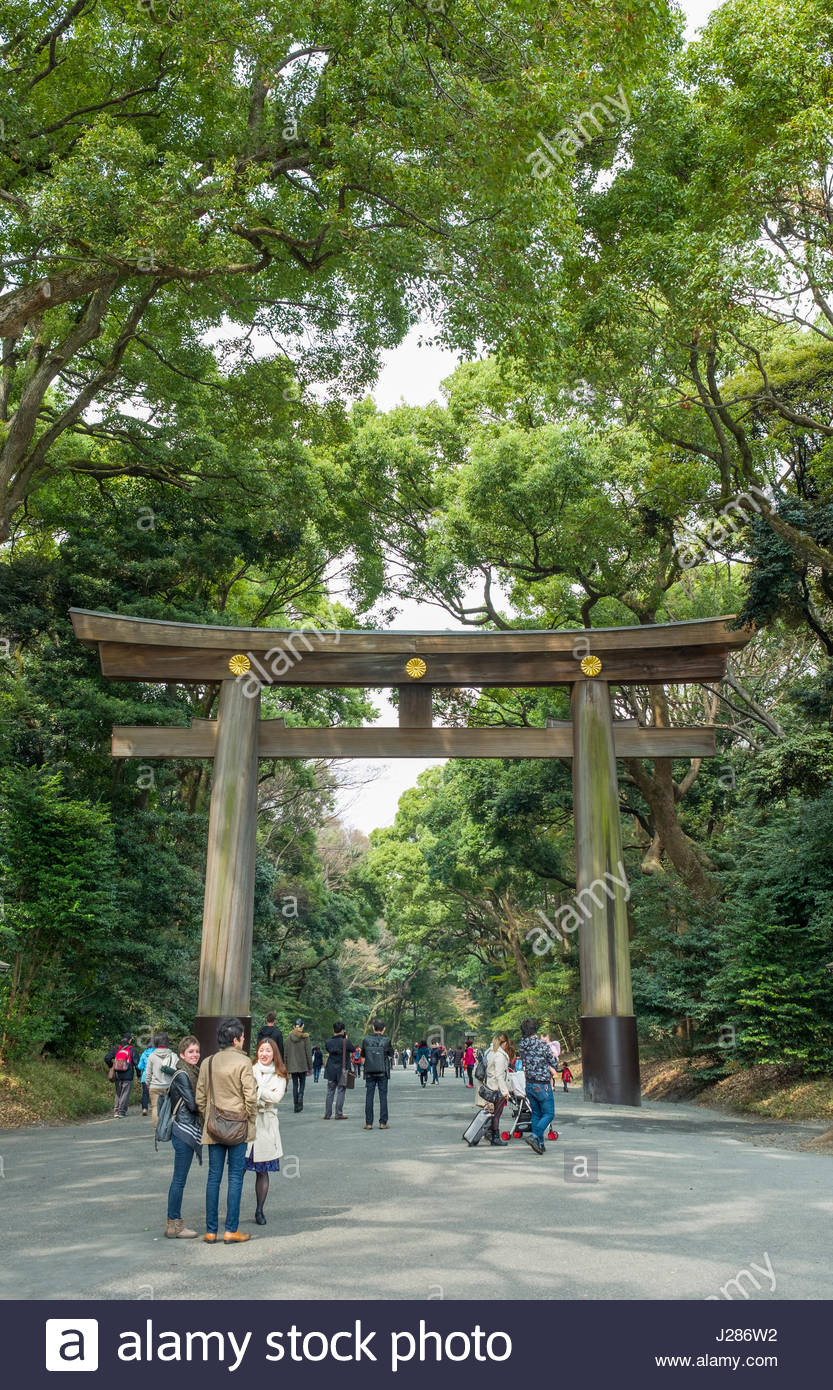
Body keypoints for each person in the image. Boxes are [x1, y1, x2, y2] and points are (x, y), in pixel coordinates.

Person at [194, 1017, 258, 1243]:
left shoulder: (208, 1062)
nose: (243, 1041)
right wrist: (249, 1117)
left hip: (213, 1127)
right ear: (235, 1039)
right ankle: (231, 1229)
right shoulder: (244, 1063)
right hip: (239, 1127)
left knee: (213, 1178)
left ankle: (211, 1231)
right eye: (242, 1037)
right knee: (235, 1178)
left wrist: (210, 1117)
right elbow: (251, 1097)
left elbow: (200, 1098)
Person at [245, 1037, 288, 1225]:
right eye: (261, 1050)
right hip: (247, 1123)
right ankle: (233, 1210)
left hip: (266, 1125)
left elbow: (276, 1097)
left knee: (262, 1171)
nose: (264, 1054)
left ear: (274, 1054)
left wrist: (257, 1090)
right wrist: (263, 1094)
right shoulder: (249, 1069)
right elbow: (242, 1093)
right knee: (239, 1169)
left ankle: (259, 1210)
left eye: (268, 1051)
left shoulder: (280, 1074)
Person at [165, 1034, 203, 1238]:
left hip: (187, 1130)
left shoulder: (192, 1072)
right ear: (182, 1054)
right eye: (191, 1052)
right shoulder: (182, 1075)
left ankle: (174, 1222)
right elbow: (193, 1104)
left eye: (197, 1051)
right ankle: (174, 1224)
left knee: (180, 1178)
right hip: (184, 1131)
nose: (195, 1055)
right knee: (179, 1179)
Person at [517, 1017, 558, 1154]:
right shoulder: (542, 1045)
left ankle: (540, 1143)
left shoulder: (522, 1045)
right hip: (542, 1085)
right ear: (535, 1029)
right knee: (549, 1113)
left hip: (529, 1083)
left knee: (536, 1114)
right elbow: (554, 1063)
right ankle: (535, 1136)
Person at [474, 1032, 512, 1147]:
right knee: (496, 1114)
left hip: (489, 1086)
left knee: (491, 1112)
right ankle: (495, 1137)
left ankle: (489, 1133)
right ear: (504, 1043)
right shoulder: (500, 1056)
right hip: (497, 1088)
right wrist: (505, 1092)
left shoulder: (490, 1052)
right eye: (507, 1042)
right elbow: (500, 1076)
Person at [361, 1018, 394, 1129]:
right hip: (382, 1071)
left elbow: (363, 1055)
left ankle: (369, 1123)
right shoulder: (386, 1041)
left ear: (373, 1028)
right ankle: (383, 1123)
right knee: (383, 1096)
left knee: (369, 1096)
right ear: (384, 1029)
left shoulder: (366, 1040)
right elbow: (391, 1053)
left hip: (370, 1072)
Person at [143, 1032, 178, 1126]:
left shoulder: (152, 1055)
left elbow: (148, 1072)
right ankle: (168, 1127)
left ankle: (157, 1128)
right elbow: (177, 1071)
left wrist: (148, 1084)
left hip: (155, 1086)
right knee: (169, 1108)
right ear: (167, 1042)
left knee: (155, 1107)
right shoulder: (173, 1055)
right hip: (169, 1086)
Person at [323, 1021, 354, 1120]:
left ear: (333, 1030)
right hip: (342, 1069)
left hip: (331, 1069)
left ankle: (327, 1114)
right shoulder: (345, 1042)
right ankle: (338, 1113)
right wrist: (346, 1039)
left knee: (330, 1091)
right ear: (343, 1030)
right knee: (341, 1091)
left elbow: (329, 1050)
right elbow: (352, 1049)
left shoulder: (328, 1042)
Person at [104, 1033, 140, 1117]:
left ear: (122, 1039)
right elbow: (137, 1064)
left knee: (118, 1092)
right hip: (128, 1074)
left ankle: (116, 1111)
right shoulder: (132, 1049)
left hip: (117, 1074)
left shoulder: (117, 1049)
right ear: (130, 1040)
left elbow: (107, 1058)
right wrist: (139, 1075)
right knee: (125, 1093)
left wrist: (112, 1066)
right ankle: (122, 1112)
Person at [284, 1019, 313, 1112]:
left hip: (292, 1066)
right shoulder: (305, 1038)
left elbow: (286, 1053)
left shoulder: (289, 1038)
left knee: (295, 1085)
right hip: (303, 1064)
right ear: (303, 1026)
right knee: (302, 1083)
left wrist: (286, 1065)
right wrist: (310, 1066)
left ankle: (296, 1105)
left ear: (294, 1026)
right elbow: (308, 1052)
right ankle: (301, 1096)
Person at [137, 1038, 155, 1116]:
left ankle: (144, 1109)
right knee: (156, 1093)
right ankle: (156, 1108)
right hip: (155, 1076)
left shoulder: (144, 1054)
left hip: (145, 1076)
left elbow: (140, 1067)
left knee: (145, 1093)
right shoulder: (157, 1053)